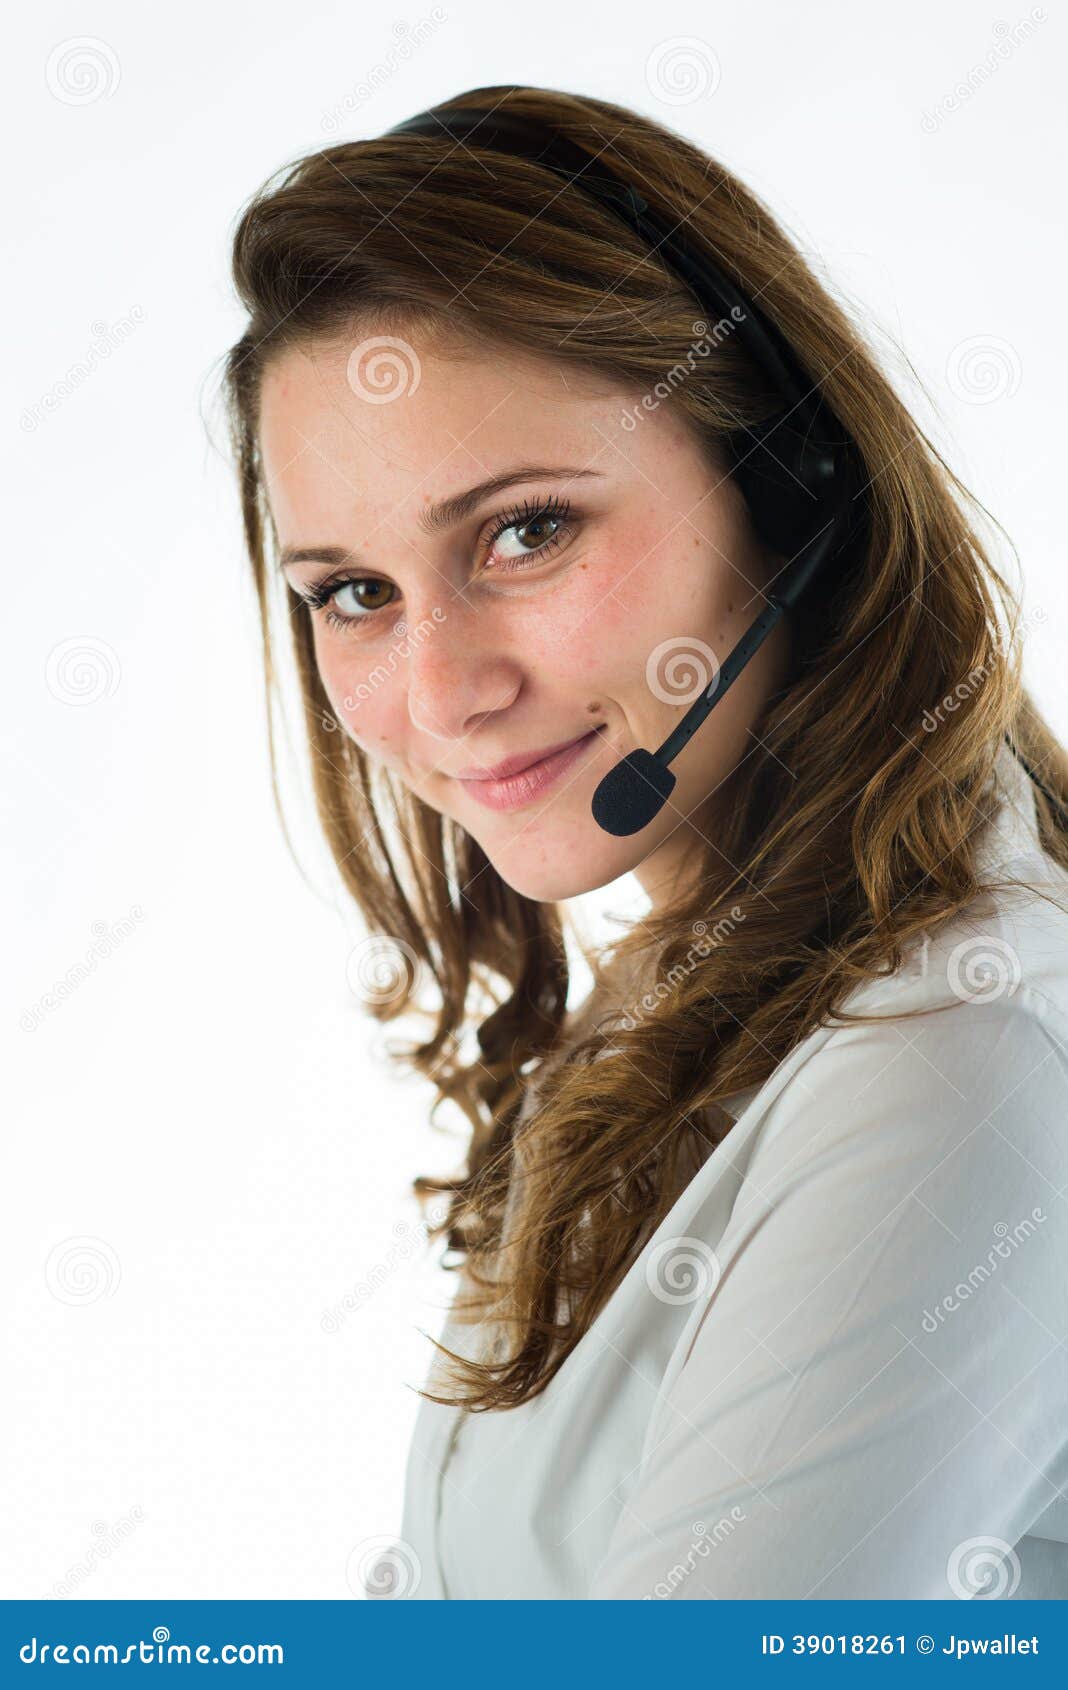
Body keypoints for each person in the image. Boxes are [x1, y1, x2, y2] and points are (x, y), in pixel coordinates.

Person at [222, 83, 1068, 1599]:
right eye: (353, 590)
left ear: (789, 482)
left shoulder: (963, 1049)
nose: (442, 694)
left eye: (526, 530)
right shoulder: (695, 971)